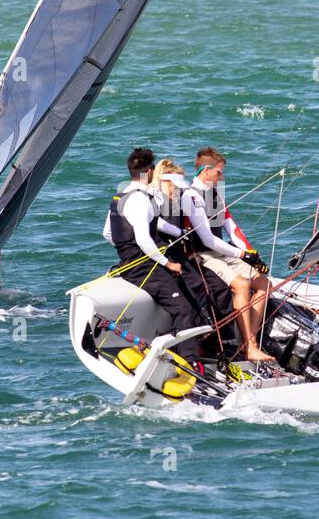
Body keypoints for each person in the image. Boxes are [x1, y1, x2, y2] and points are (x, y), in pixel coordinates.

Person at [103, 148, 207, 363]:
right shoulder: (141, 200)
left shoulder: (120, 196)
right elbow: (143, 239)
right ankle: (188, 361)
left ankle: (196, 342)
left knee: (193, 284)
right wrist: (168, 264)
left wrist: (178, 233)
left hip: (129, 263)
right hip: (143, 266)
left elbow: (108, 233)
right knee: (183, 308)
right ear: (150, 172)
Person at [184, 147, 274, 362]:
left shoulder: (215, 195)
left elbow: (231, 228)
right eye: (219, 172)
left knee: (264, 284)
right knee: (242, 285)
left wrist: (252, 254)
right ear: (206, 170)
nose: (221, 177)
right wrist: (242, 254)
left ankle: (248, 342)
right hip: (202, 254)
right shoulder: (190, 196)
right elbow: (207, 240)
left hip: (223, 252)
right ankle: (251, 347)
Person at [152, 160, 238, 356]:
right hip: (165, 260)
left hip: (185, 257)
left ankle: (225, 340)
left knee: (220, 289)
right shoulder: (153, 200)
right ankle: (198, 342)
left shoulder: (182, 198)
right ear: (165, 183)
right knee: (199, 289)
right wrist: (178, 233)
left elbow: (204, 234)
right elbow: (155, 227)